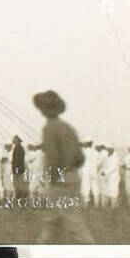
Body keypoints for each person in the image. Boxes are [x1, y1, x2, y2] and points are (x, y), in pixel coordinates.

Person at [32, 90, 92, 243]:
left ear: (43, 110)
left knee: (70, 221)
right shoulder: (68, 128)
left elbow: (53, 159)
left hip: (60, 180)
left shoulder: (49, 128)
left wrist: (54, 180)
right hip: (72, 177)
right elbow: (80, 158)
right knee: (53, 221)